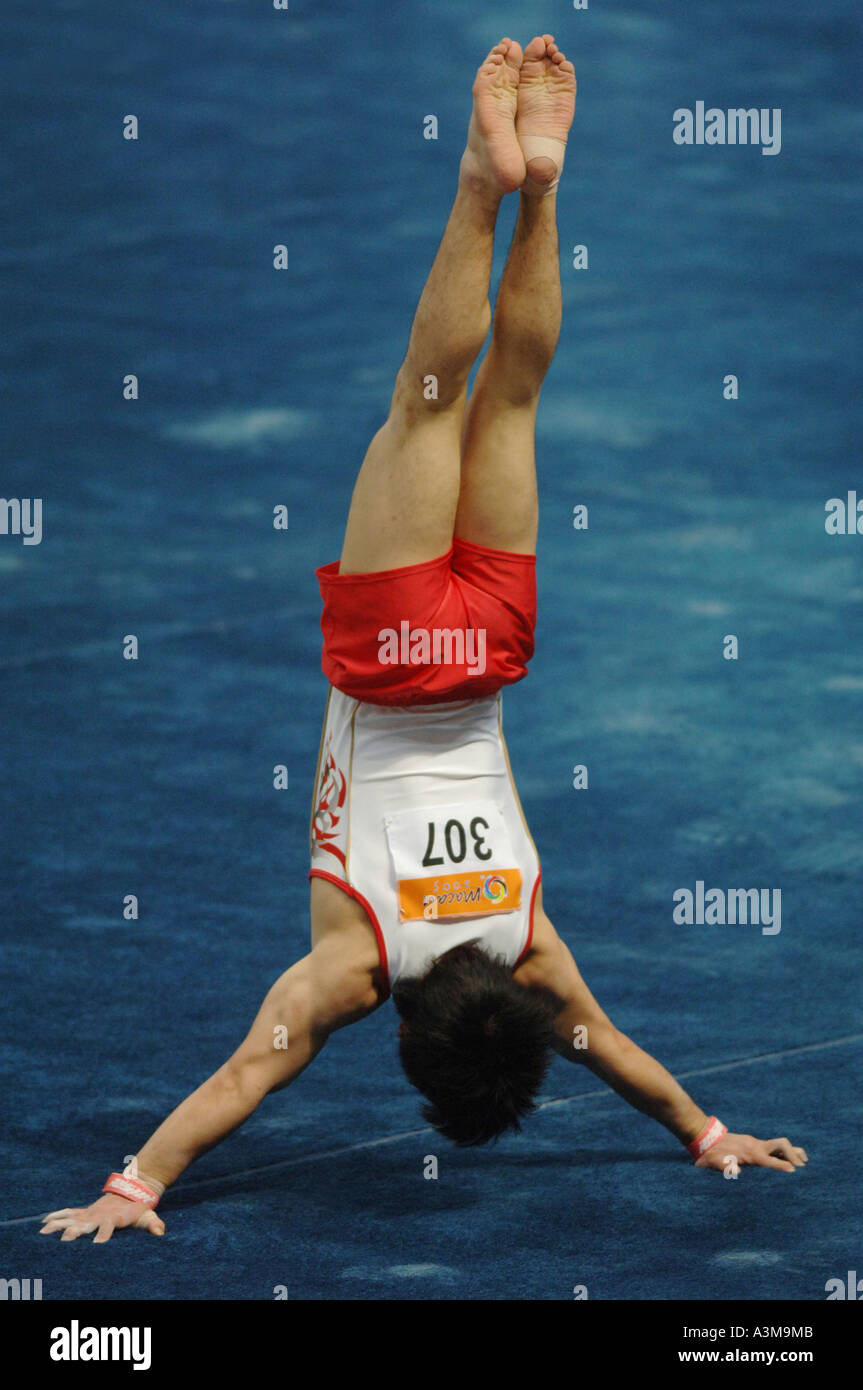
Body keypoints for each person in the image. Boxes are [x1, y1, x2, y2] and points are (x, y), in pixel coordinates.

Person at [40, 35, 806, 1245]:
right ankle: (476, 178)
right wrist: (129, 1189)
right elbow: (243, 1079)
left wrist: (710, 1133)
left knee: (505, 394)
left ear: (505, 999)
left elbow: (613, 1053)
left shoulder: (532, 950)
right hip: (392, 653)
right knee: (425, 396)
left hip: (497, 647)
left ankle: (541, 183)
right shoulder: (351, 972)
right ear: (400, 1033)